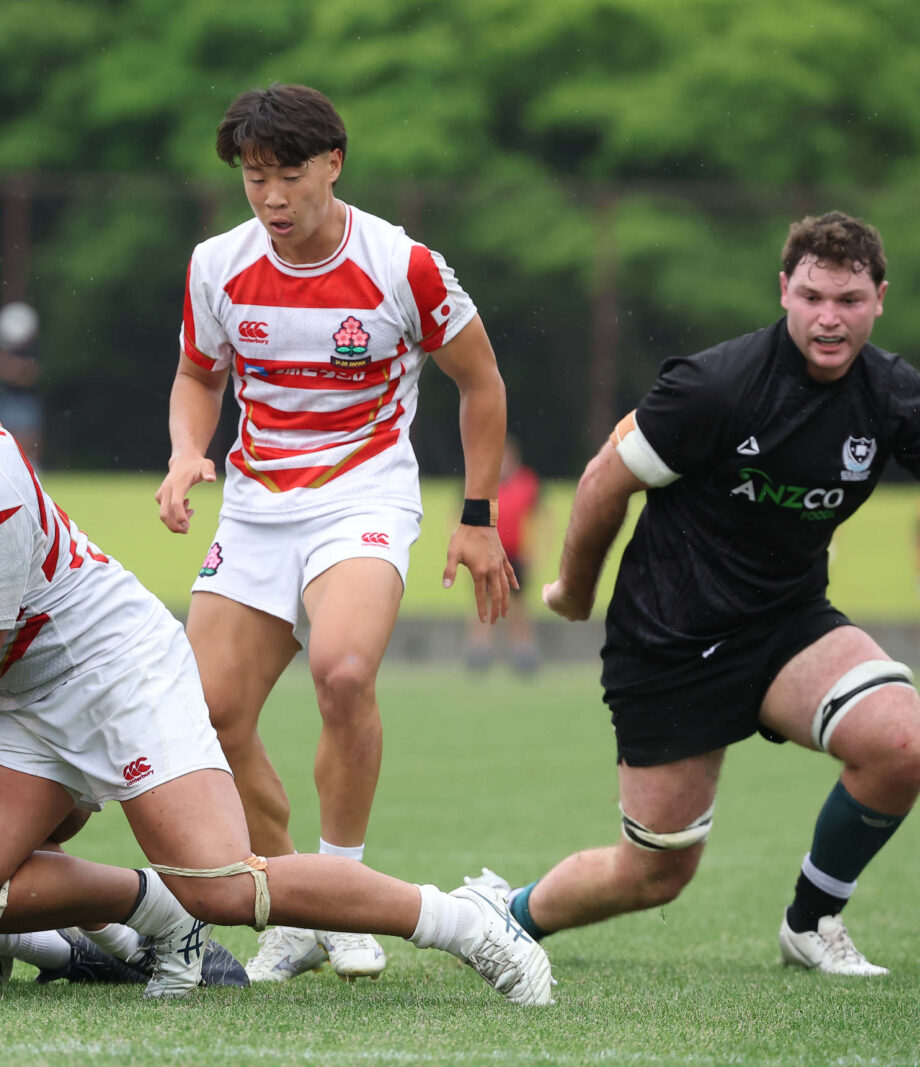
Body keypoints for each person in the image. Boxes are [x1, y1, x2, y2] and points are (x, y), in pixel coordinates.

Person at [0, 292, 553, 1004]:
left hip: (112, 666)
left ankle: (462, 921)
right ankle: (163, 915)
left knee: (226, 883)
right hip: (20, 692)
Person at [470, 211, 920, 978]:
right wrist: (574, 592)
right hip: (671, 639)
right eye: (812, 296)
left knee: (902, 742)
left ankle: (811, 923)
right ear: (784, 291)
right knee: (656, 872)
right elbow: (603, 478)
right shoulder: (718, 386)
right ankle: (496, 916)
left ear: (880, 297)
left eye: (848, 300)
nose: (829, 318)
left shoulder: (892, 395)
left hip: (789, 625)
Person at [154, 83, 514, 981]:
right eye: (252, 177)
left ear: (333, 164)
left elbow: (483, 383)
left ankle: (343, 887)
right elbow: (199, 374)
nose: (270, 198)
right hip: (256, 503)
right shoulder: (217, 263)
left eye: (287, 175)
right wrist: (185, 452)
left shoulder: (404, 266)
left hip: (364, 496)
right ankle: (295, 901)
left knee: (344, 672)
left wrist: (478, 518)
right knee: (210, 714)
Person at [466, 437, 543, 674]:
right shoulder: (483, 482)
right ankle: (479, 652)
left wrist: (535, 551)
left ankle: (524, 652)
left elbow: (539, 518)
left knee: (517, 605)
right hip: (488, 553)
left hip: (515, 555)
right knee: (484, 603)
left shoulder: (526, 482)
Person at [0, 301, 44, 466]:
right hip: (5, 398)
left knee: (28, 442)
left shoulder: (32, 350)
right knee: (3, 441)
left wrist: (11, 368)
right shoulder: (2, 348)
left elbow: (30, 374)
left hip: (24, 401)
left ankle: (31, 472)